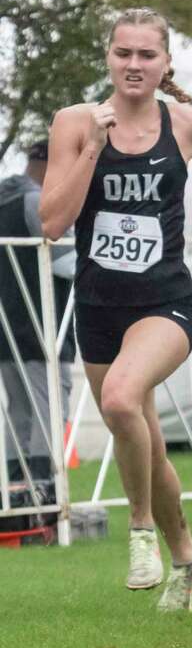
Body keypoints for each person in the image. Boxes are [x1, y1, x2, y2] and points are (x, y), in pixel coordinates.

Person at [39, 8, 192, 611]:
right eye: (124, 53)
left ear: (166, 63)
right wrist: (93, 149)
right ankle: (187, 557)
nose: (134, 65)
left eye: (147, 55)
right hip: (99, 306)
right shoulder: (75, 122)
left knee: (122, 398)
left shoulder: (191, 125)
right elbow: (51, 222)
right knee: (142, 435)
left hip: (166, 302)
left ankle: (141, 532)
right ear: (108, 57)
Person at [0, 140, 74, 487]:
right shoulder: (36, 201)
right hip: (42, 323)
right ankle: (46, 491)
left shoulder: (6, 198)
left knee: (18, 410)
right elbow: (66, 264)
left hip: (6, 326)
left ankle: (16, 488)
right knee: (49, 406)